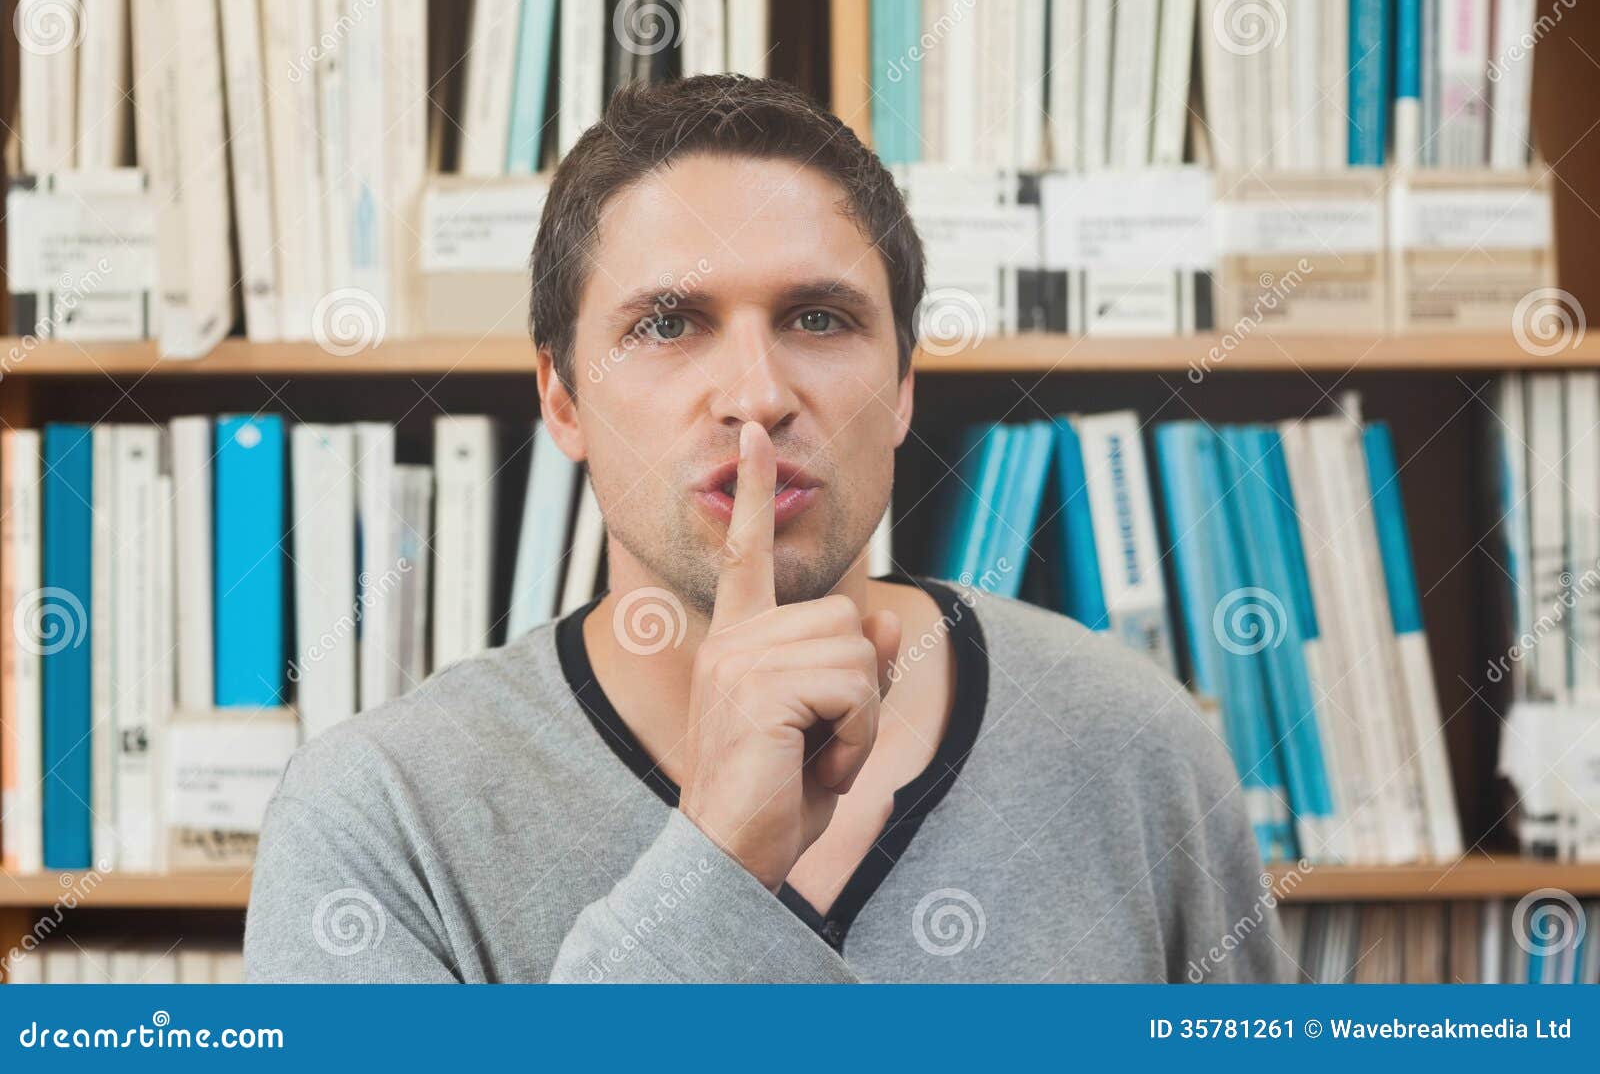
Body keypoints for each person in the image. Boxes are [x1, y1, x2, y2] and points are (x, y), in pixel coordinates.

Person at [244, 75, 1290, 983]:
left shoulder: (1133, 742)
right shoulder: (375, 815)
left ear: (901, 391)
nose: (756, 394)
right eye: (667, 324)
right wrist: (714, 861)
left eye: (819, 319)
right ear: (562, 398)